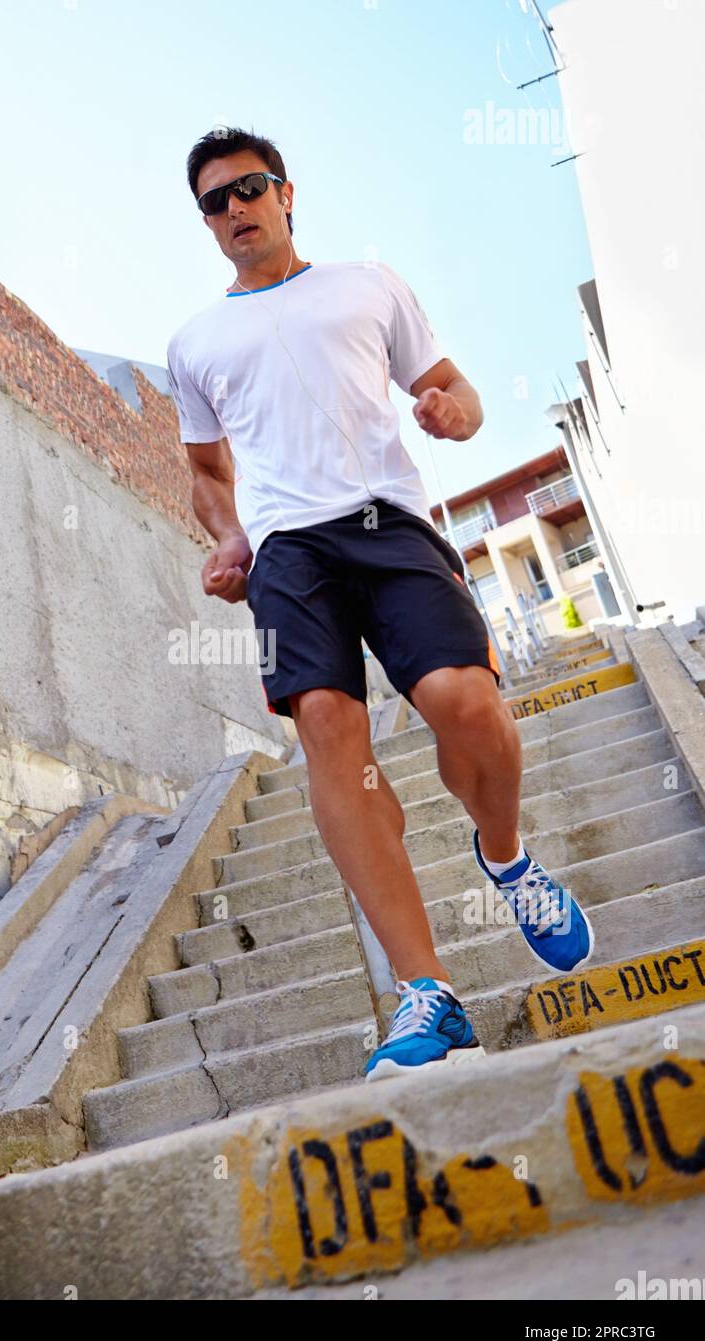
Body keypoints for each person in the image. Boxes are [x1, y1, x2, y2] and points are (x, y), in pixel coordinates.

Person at [165, 126, 593, 1082]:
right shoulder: (194, 343)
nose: (235, 210)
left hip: (388, 523)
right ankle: (426, 992)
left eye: (249, 189)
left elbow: (451, 387)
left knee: (464, 703)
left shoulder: (367, 285)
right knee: (325, 725)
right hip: (286, 551)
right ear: (205, 221)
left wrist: (457, 412)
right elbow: (203, 469)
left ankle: (508, 859)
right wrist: (229, 538)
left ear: (286, 193)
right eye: (215, 202)